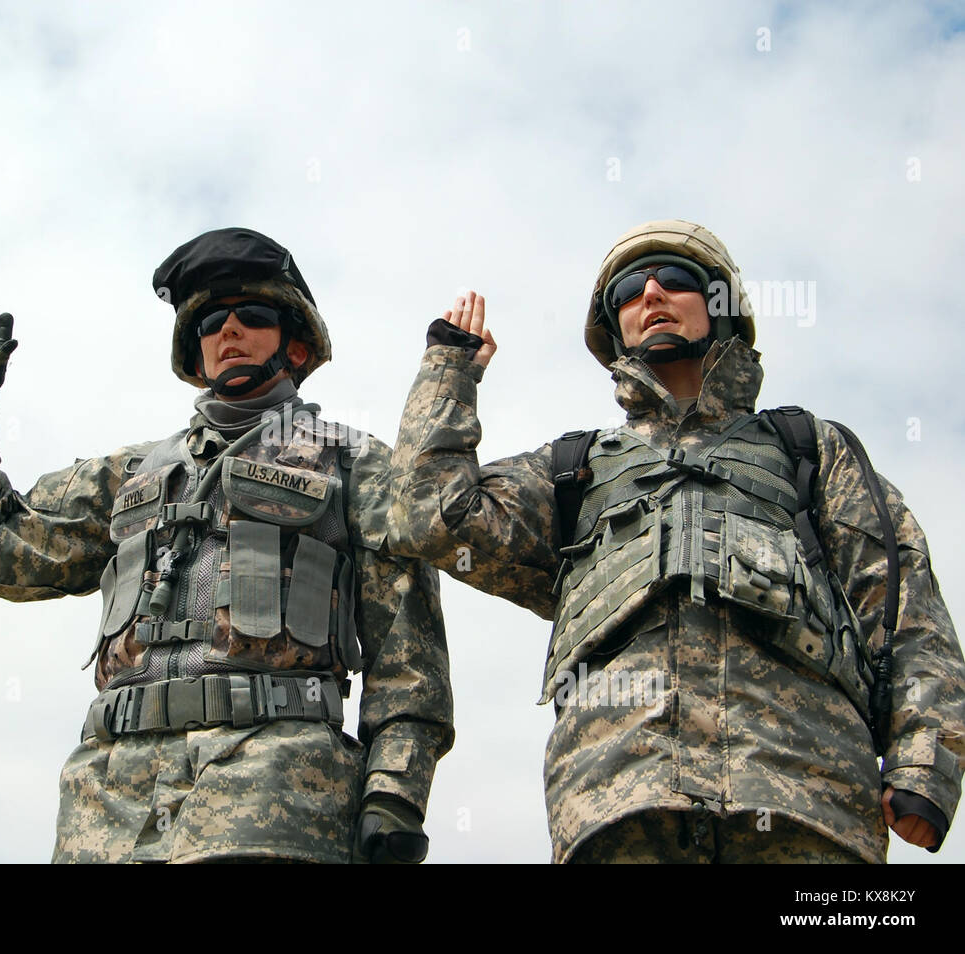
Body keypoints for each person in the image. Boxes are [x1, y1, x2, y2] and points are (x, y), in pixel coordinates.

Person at [387, 219, 965, 862]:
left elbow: (905, 608)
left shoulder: (808, 450)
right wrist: (449, 373)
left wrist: (924, 765)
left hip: (810, 804)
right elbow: (428, 518)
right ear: (614, 329)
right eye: (629, 290)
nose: (652, 295)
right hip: (620, 809)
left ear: (722, 306)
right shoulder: (574, 469)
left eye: (677, 279)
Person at [0, 227, 453, 863]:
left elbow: (408, 646)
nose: (227, 332)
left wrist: (395, 792)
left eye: (251, 316)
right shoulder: (131, 474)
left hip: (273, 789)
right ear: (194, 348)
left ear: (295, 342)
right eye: (209, 321)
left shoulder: (354, 465)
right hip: (107, 800)